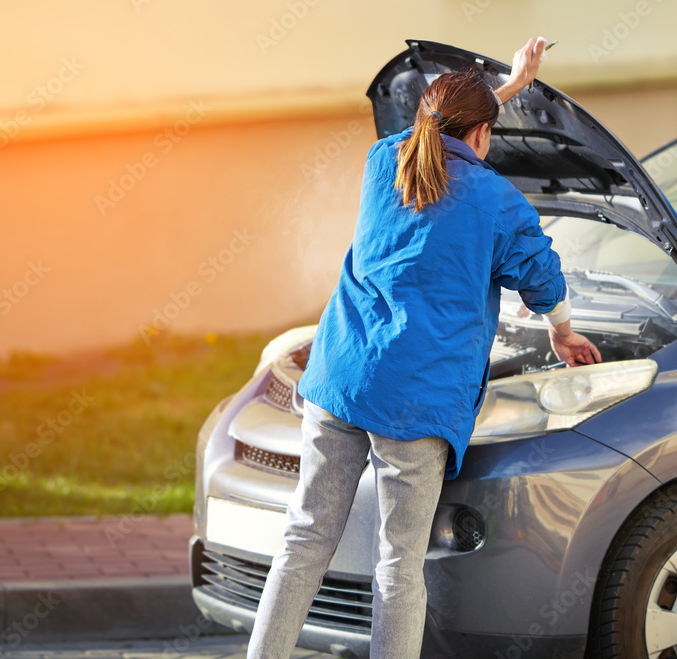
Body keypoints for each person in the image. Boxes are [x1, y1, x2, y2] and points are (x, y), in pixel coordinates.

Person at [246, 37, 601, 659]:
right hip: (416, 403)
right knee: (398, 564)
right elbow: (543, 279)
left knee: (303, 542)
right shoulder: (496, 201)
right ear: (485, 135)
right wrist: (562, 333)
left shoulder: (383, 161)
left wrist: (507, 90)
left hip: (341, 381)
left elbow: (442, 129)